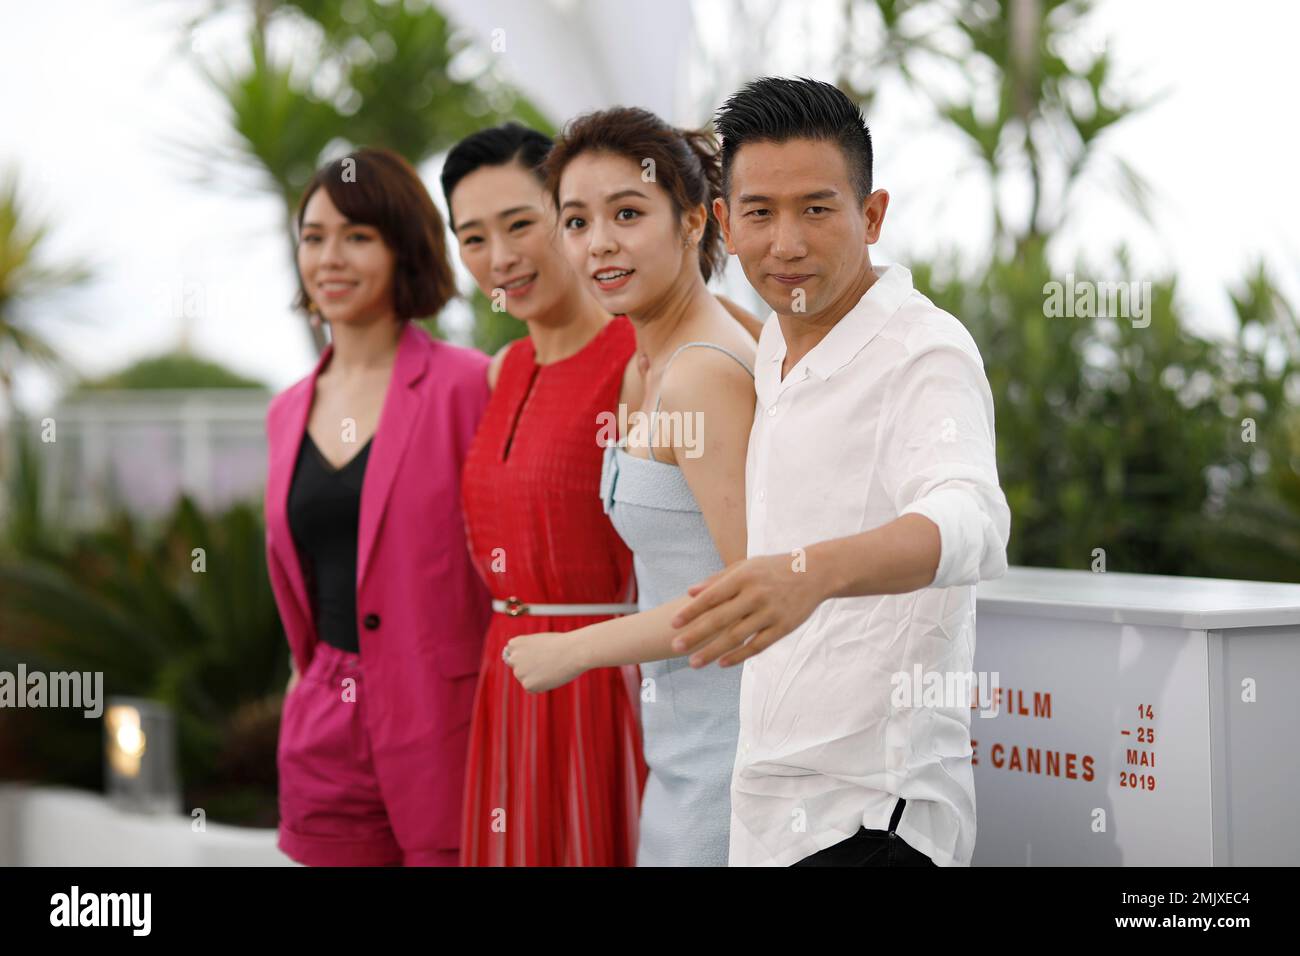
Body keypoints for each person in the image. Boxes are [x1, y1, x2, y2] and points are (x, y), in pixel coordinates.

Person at [667, 76, 1013, 867]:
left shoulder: (925, 350)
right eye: (759, 212)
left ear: (873, 214)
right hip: (769, 809)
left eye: (816, 209)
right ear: (724, 220)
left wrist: (810, 573)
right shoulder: (772, 347)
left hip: (872, 820)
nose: (785, 242)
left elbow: (974, 521)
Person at [501, 107, 757, 866]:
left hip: (733, 746)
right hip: (678, 738)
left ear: (691, 223)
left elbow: (749, 595)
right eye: (576, 222)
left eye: (627, 212)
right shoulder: (644, 365)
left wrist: (577, 648)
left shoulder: (701, 375)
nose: (600, 242)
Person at [265, 148, 492, 866]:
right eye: (314, 236)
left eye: (357, 236)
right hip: (323, 726)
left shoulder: (470, 386)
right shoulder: (286, 411)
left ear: (404, 248)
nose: (329, 257)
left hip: (446, 725)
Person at [442, 123, 647, 866]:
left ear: (568, 217)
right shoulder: (502, 369)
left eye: (521, 223)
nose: (500, 258)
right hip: (507, 679)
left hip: (604, 683)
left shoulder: (637, 361)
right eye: (472, 238)